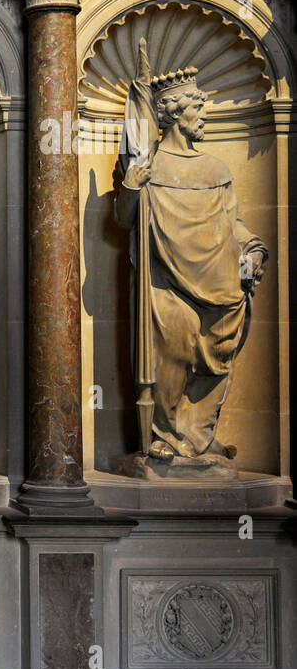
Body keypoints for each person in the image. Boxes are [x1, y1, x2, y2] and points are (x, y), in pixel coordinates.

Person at [115, 65, 266, 463]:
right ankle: (164, 434)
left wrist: (252, 251)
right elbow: (124, 219)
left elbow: (230, 224)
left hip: (220, 281)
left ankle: (197, 433)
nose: (204, 116)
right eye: (198, 109)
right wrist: (132, 185)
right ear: (174, 114)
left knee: (217, 355)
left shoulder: (216, 169)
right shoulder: (149, 166)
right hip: (167, 282)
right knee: (173, 351)